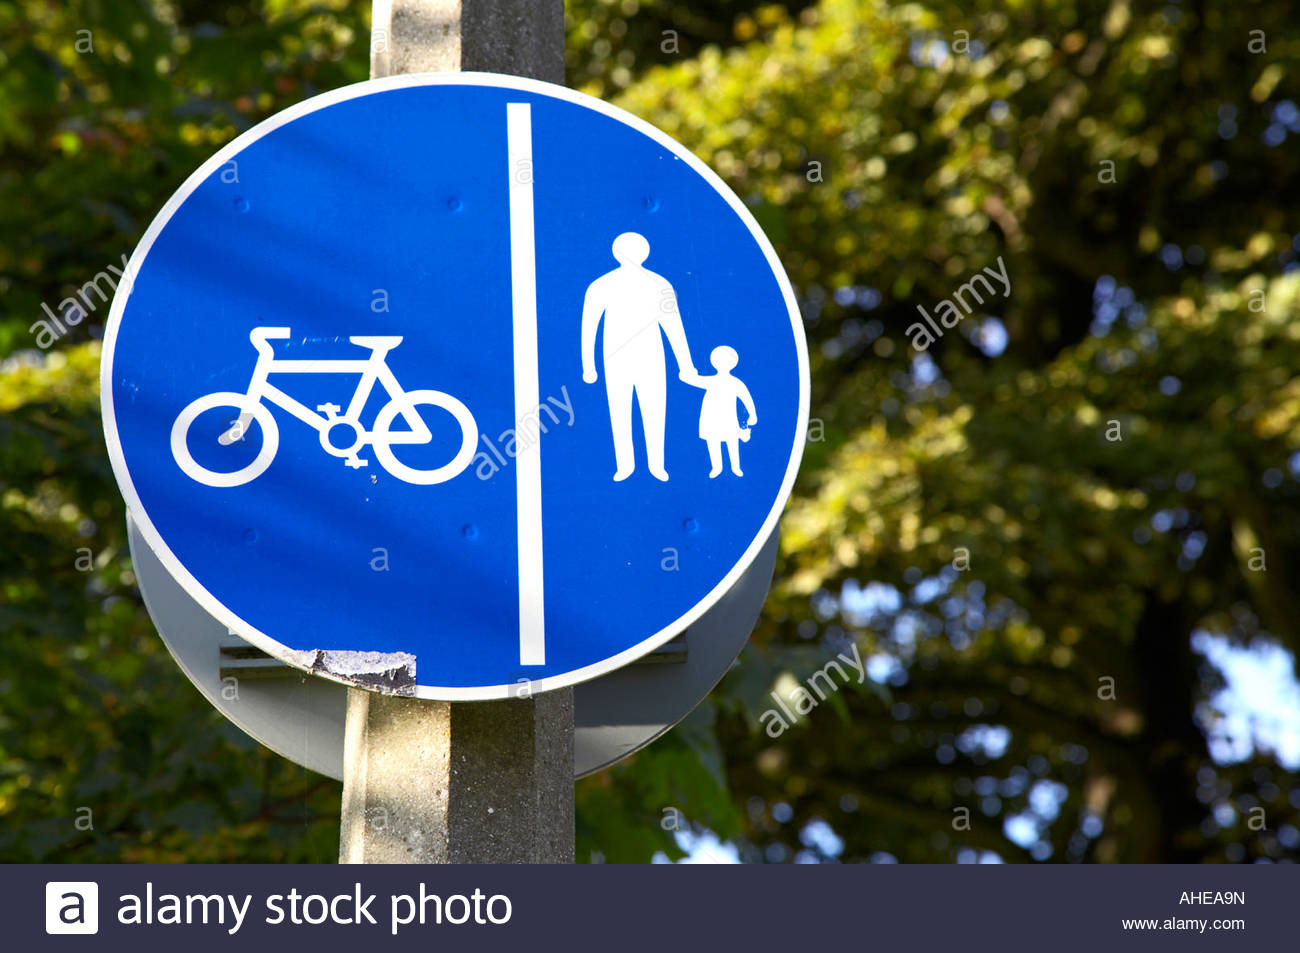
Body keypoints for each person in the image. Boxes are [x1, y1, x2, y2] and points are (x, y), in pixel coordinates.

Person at [581, 232, 698, 481]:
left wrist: (686, 365)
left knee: (654, 409)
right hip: (616, 358)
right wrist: (588, 366)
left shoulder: (659, 285)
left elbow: (674, 326)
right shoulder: (601, 286)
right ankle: (625, 465)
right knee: (620, 410)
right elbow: (589, 327)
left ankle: (657, 465)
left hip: (651, 356)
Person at [693, 345, 756, 478]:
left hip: (729, 419)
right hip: (711, 419)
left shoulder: (735, 383)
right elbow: (695, 380)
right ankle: (716, 467)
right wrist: (686, 376)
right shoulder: (711, 380)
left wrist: (753, 414)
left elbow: (746, 398)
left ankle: (736, 467)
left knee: (732, 442)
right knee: (713, 442)